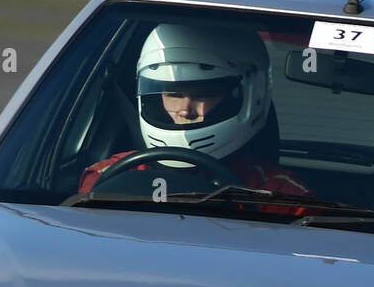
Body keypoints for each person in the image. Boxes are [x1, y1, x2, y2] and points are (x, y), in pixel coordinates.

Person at [78, 23, 310, 198]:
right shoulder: (108, 175)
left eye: (203, 95)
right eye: (174, 95)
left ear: (250, 97)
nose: (185, 110)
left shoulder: (278, 192)